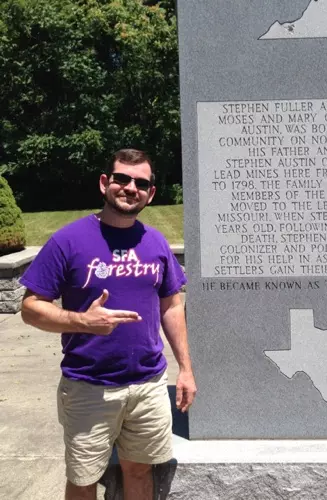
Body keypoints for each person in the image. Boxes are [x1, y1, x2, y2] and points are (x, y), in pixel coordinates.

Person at [20, 149, 197, 500]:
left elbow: (172, 306)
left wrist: (186, 370)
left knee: (140, 470)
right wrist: (81, 321)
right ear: (105, 183)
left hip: (148, 384)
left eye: (141, 183)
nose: (130, 188)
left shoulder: (155, 242)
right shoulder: (69, 240)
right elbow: (30, 307)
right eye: (122, 179)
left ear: (151, 193)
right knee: (84, 478)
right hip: (89, 386)